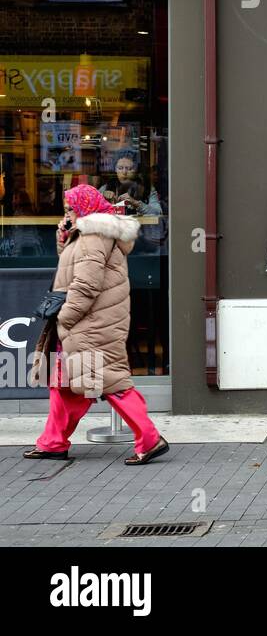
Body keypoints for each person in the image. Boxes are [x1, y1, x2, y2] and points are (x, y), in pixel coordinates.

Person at [23, 185, 168, 465]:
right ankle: (53, 442)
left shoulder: (93, 237)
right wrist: (64, 235)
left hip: (90, 324)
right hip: (88, 321)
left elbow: (86, 284)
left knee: (109, 383)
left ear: (85, 209)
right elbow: (72, 266)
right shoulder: (87, 234)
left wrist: (65, 316)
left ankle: (150, 440)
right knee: (64, 383)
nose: (67, 214)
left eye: (70, 209)